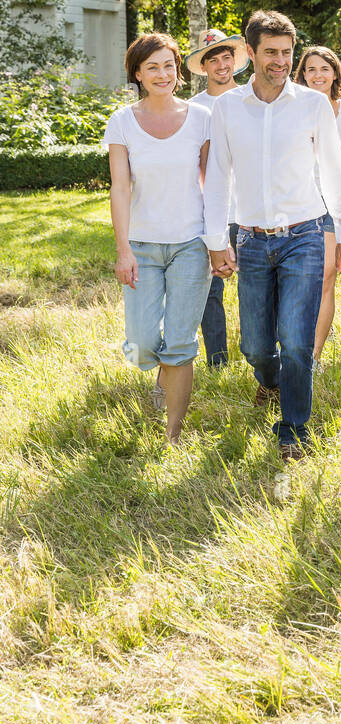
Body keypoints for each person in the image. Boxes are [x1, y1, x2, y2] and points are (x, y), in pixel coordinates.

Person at [203, 10, 341, 462]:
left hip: (305, 236)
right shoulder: (227, 108)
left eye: (286, 53)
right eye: (270, 52)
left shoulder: (312, 105)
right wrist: (217, 240)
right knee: (254, 345)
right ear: (249, 53)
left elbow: (335, 173)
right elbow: (218, 177)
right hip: (251, 239)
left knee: (296, 339)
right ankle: (270, 381)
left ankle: (294, 427)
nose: (279, 61)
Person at [104, 33, 213, 445]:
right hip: (143, 247)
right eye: (153, 67)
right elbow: (120, 188)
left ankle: (172, 435)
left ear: (179, 69)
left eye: (169, 65)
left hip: (191, 243)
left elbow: (213, 183)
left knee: (181, 343)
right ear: (138, 73)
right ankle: (159, 375)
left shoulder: (201, 118)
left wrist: (218, 239)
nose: (163, 74)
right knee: (142, 347)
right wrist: (123, 250)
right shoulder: (122, 121)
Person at [184, 28, 249, 366]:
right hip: (209, 213)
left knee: (256, 288)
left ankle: (261, 354)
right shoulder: (193, 109)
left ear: (235, 62)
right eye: (215, 60)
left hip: (251, 211)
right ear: (204, 66)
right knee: (210, 291)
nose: (222, 65)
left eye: (227, 58)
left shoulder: (252, 99)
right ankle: (218, 360)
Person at [293, 45, 341, 371]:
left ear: (335, 74)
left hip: (332, 203)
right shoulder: (291, 108)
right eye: (311, 69)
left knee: (327, 277)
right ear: (302, 75)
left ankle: (313, 358)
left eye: (324, 69)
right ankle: (293, 344)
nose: (318, 75)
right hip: (299, 201)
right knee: (300, 280)